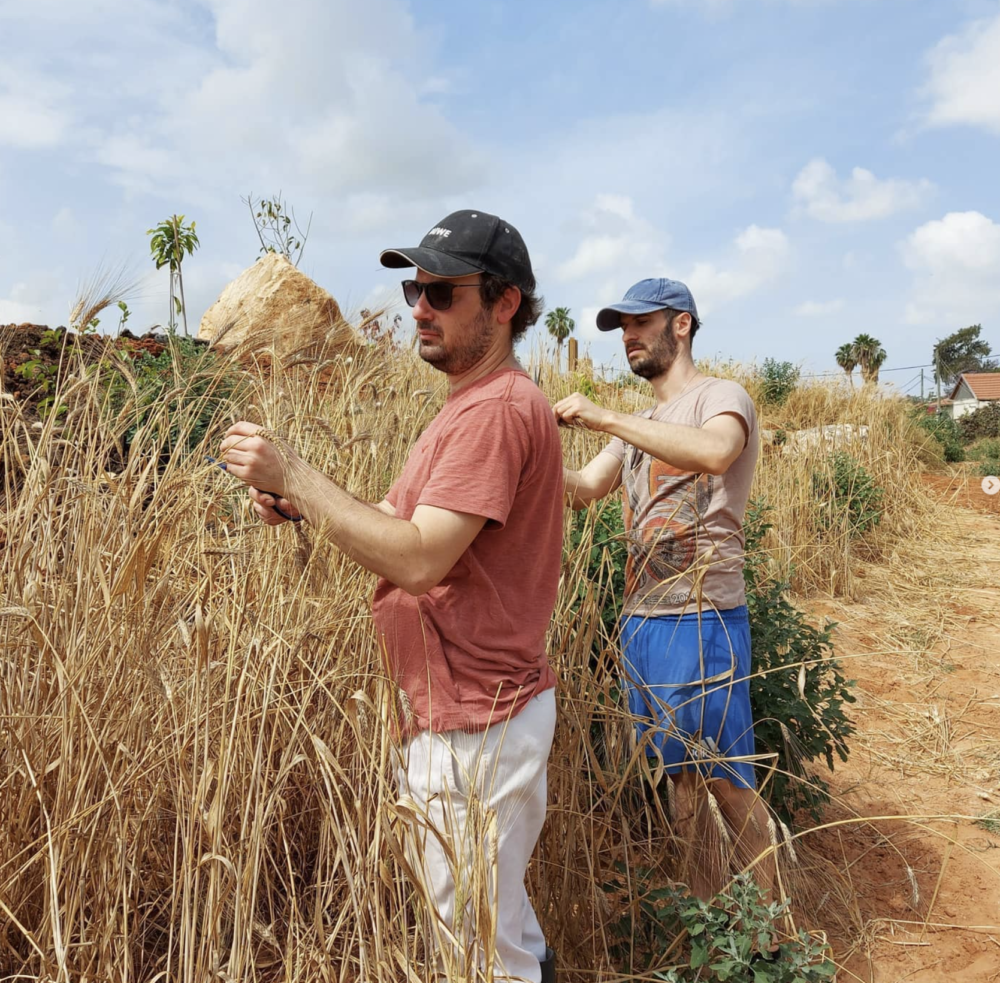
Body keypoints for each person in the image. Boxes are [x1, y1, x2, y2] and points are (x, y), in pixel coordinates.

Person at [220, 210, 562, 983]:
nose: (418, 307)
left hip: (477, 726)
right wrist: (302, 500)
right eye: (414, 287)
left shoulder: (497, 410)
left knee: (476, 958)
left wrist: (298, 474)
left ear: (504, 302)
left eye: (441, 290)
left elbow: (417, 559)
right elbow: (399, 524)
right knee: (499, 933)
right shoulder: (473, 406)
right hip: (472, 716)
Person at [553, 278, 774, 902]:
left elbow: (716, 452)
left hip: (700, 615)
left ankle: (778, 936)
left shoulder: (719, 396)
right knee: (681, 778)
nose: (628, 336)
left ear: (681, 325)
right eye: (621, 327)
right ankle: (706, 920)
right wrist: (523, 447)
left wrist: (605, 416)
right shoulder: (641, 423)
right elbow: (584, 488)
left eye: (640, 323)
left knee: (728, 782)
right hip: (643, 619)